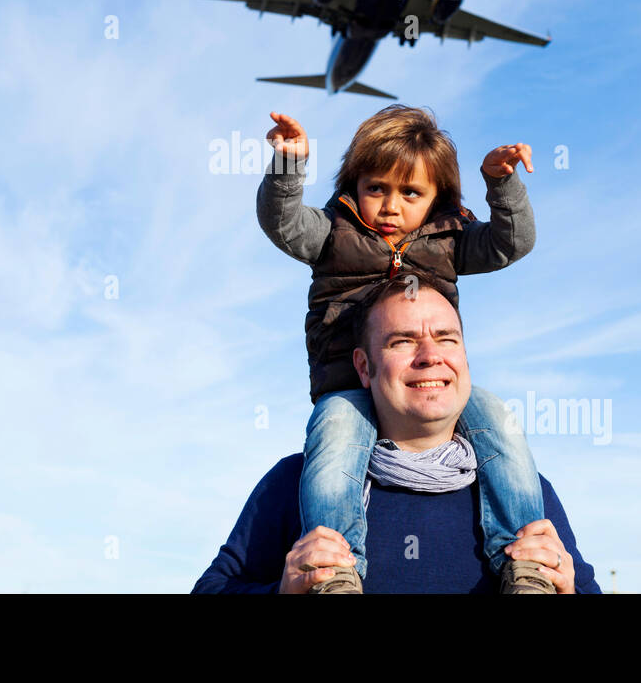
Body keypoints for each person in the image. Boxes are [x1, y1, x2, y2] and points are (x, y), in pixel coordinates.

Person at [255, 105, 549, 593]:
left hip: (425, 386)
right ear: (356, 185)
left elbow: (510, 243)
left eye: (410, 193)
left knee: (497, 418)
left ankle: (526, 561)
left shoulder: (448, 240)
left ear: (436, 199)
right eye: (377, 189)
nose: (391, 206)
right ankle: (334, 570)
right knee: (334, 441)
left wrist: (501, 186)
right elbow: (282, 222)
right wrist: (289, 166)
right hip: (349, 386)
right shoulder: (333, 233)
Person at [193, 275, 599, 593]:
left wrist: (568, 590)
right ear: (364, 367)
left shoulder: (525, 489)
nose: (430, 356)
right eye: (403, 341)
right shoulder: (295, 482)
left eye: (447, 339)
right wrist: (283, 591)